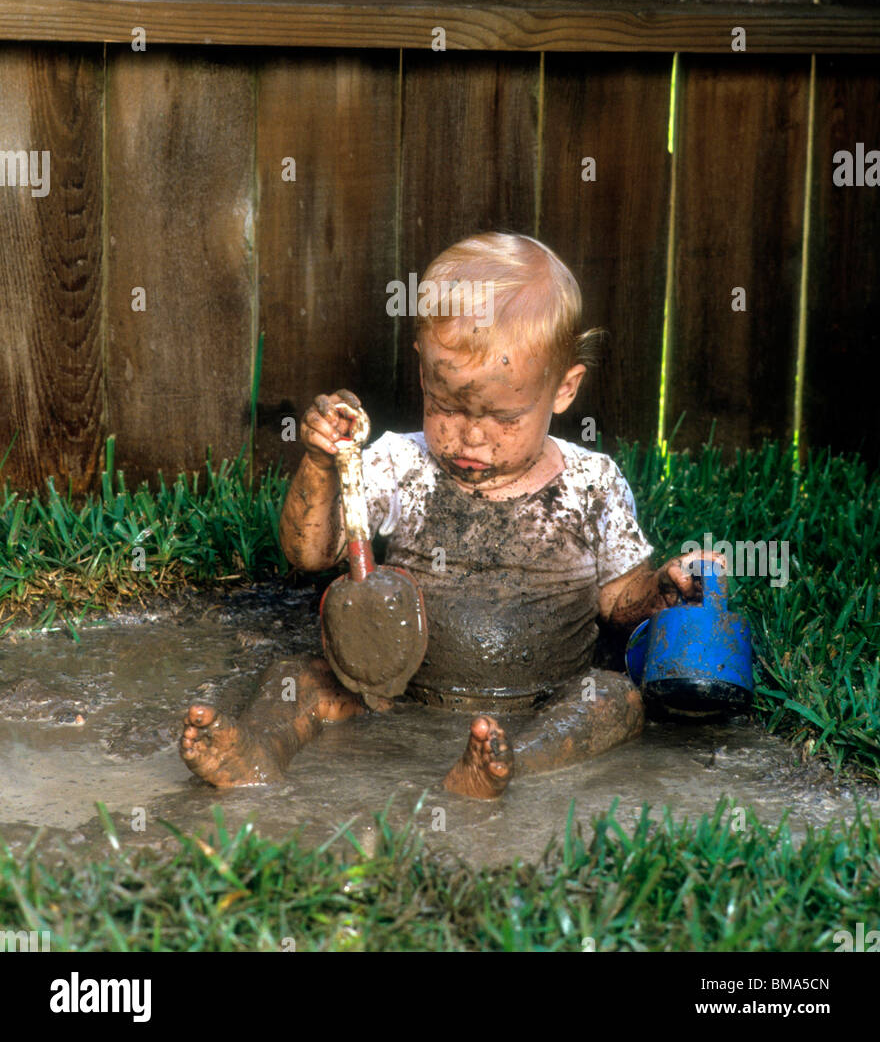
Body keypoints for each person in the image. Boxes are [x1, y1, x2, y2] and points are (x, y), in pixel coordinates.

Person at [180, 232, 715, 798]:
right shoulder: (400, 463)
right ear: (423, 373)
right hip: (392, 685)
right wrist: (320, 463)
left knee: (613, 700)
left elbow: (618, 600)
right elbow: (309, 553)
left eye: (503, 417)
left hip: (544, 694)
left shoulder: (591, 484)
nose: (471, 436)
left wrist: (661, 589)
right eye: (447, 407)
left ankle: (508, 765)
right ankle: (259, 748)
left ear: (564, 388)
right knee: (298, 678)